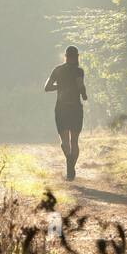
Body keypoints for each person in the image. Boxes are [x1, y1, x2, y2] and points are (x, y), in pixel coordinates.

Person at [45, 46, 87, 180]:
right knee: (74, 141)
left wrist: (60, 85)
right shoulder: (79, 71)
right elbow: (80, 85)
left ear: (66, 56)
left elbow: (47, 87)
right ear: (76, 56)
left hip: (61, 108)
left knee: (64, 140)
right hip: (75, 108)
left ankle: (69, 162)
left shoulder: (57, 70)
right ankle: (71, 166)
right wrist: (84, 95)